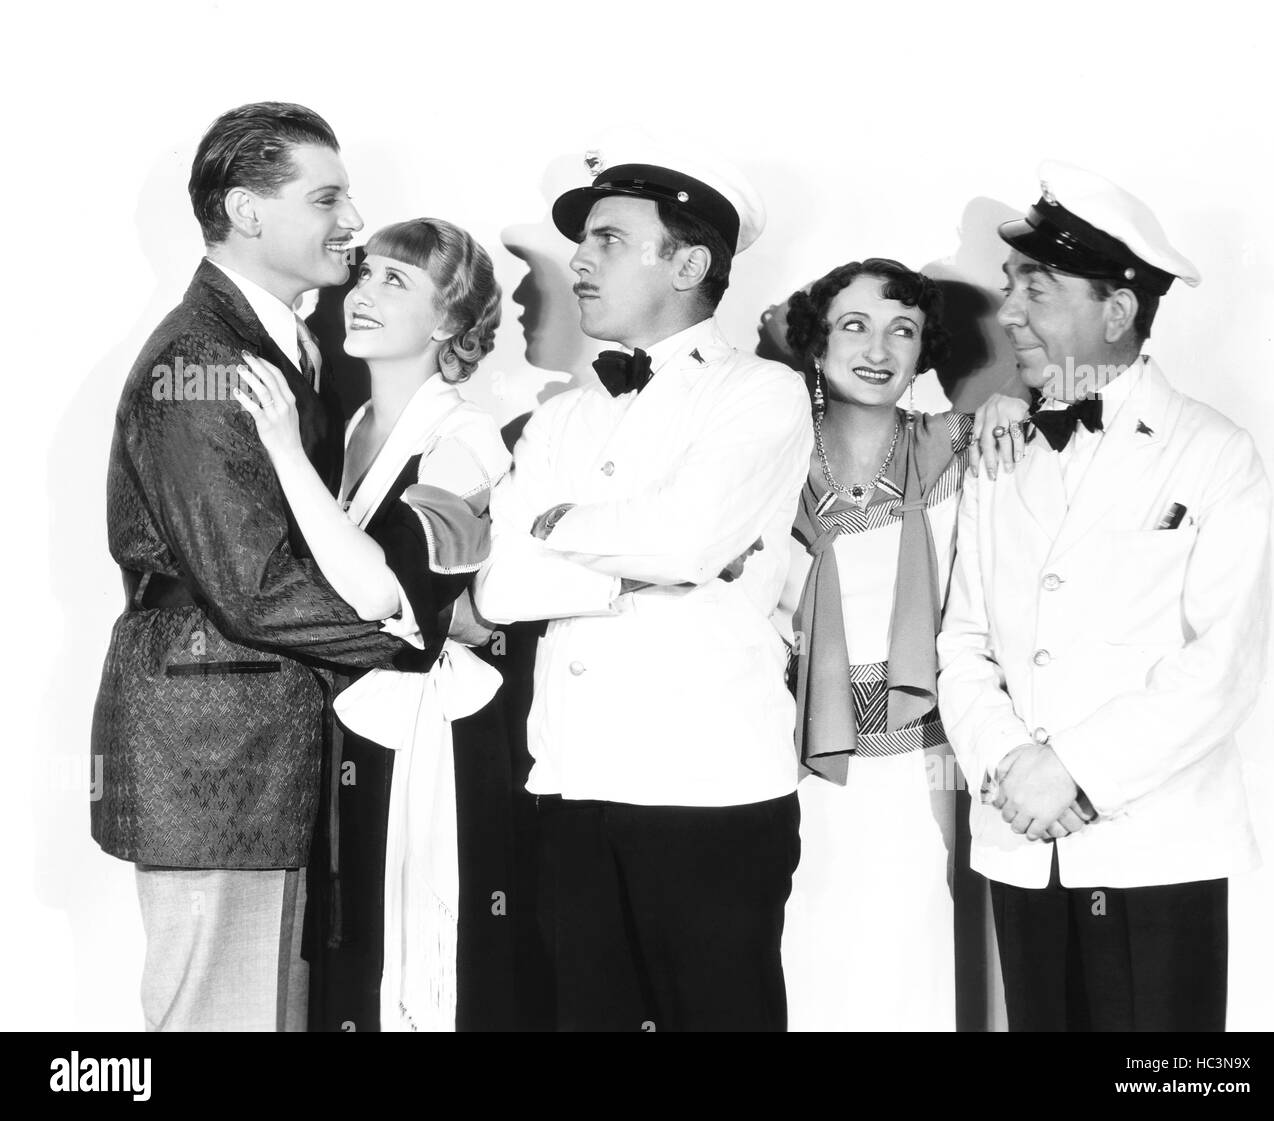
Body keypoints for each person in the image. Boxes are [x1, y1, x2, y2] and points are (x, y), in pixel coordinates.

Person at [473, 142, 812, 1031]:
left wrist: (563, 530)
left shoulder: (762, 392)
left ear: (689, 264)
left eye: (609, 240)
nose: (580, 261)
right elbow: (504, 585)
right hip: (575, 784)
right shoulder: (567, 415)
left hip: (708, 791)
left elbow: (684, 539)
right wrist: (636, 574)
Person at [90, 102, 408, 1031]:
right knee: (217, 1014)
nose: (353, 220)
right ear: (247, 210)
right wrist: (413, 644)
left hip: (261, 741)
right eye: (328, 197)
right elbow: (251, 581)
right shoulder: (200, 360)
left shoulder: (286, 341)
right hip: (215, 749)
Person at [937, 161, 1270, 1032]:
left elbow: (1223, 663)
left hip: (1155, 844)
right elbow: (961, 639)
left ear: (1117, 310)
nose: (1008, 311)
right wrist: (1011, 772)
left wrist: (1074, 775)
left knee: (1174, 1085)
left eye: (1035, 290)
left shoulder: (1212, 451)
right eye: (1010, 286)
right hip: (1022, 844)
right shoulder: (1000, 447)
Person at [236, 218, 514, 1032]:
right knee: (351, 946)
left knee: (423, 954)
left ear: (449, 323)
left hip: (436, 738)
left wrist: (284, 451)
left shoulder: (465, 439)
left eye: (397, 281)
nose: (363, 293)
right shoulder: (356, 428)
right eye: (365, 275)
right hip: (354, 723)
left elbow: (399, 606)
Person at [776, 258, 1027, 1031]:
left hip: (918, 760)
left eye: (903, 330)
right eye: (854, 326)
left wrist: (1013, 402)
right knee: (798, 963)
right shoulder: (764, 451)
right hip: (784, 760)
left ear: (924, 352)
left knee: (910, 968)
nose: (879, 348)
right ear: (816, 345)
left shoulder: (958, 447)